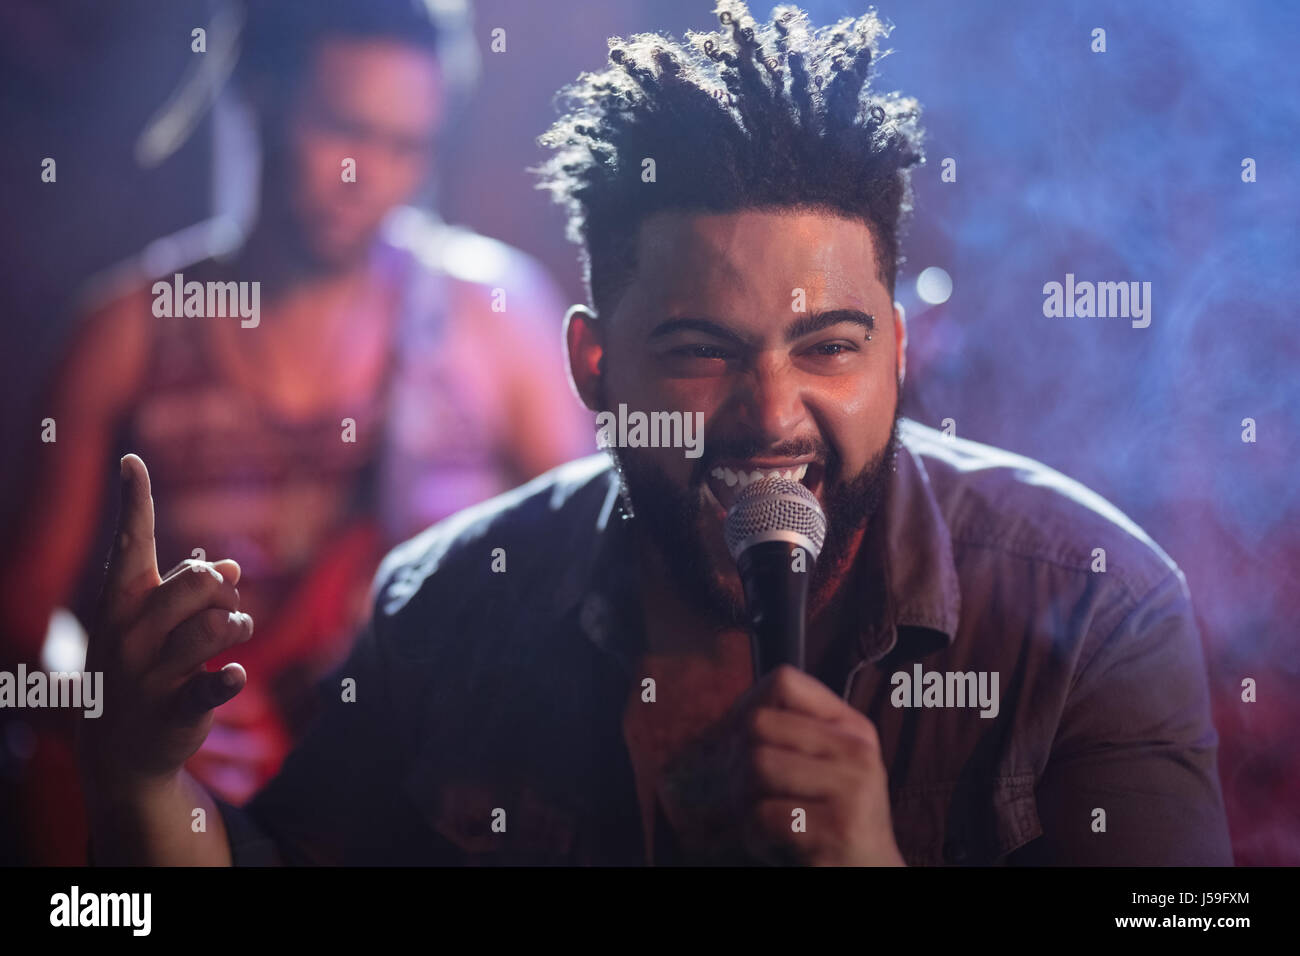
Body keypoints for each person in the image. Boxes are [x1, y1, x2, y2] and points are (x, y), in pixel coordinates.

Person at [77, 1, 1233, 866]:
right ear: (593, 362)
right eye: (700, 352)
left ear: (895, 350)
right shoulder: (444, 601)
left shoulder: (1094, 606)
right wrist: (137, 774)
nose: (772, 417)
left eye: (827, 346)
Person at [2, 0, 590, 863]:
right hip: (197, 821)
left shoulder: (496, 317)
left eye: (407, 146)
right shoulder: (124, 332)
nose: (372, 177)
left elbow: (598, 569)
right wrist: (125, 714)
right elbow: (21, 630)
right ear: (259, 98)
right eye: (344, 130)